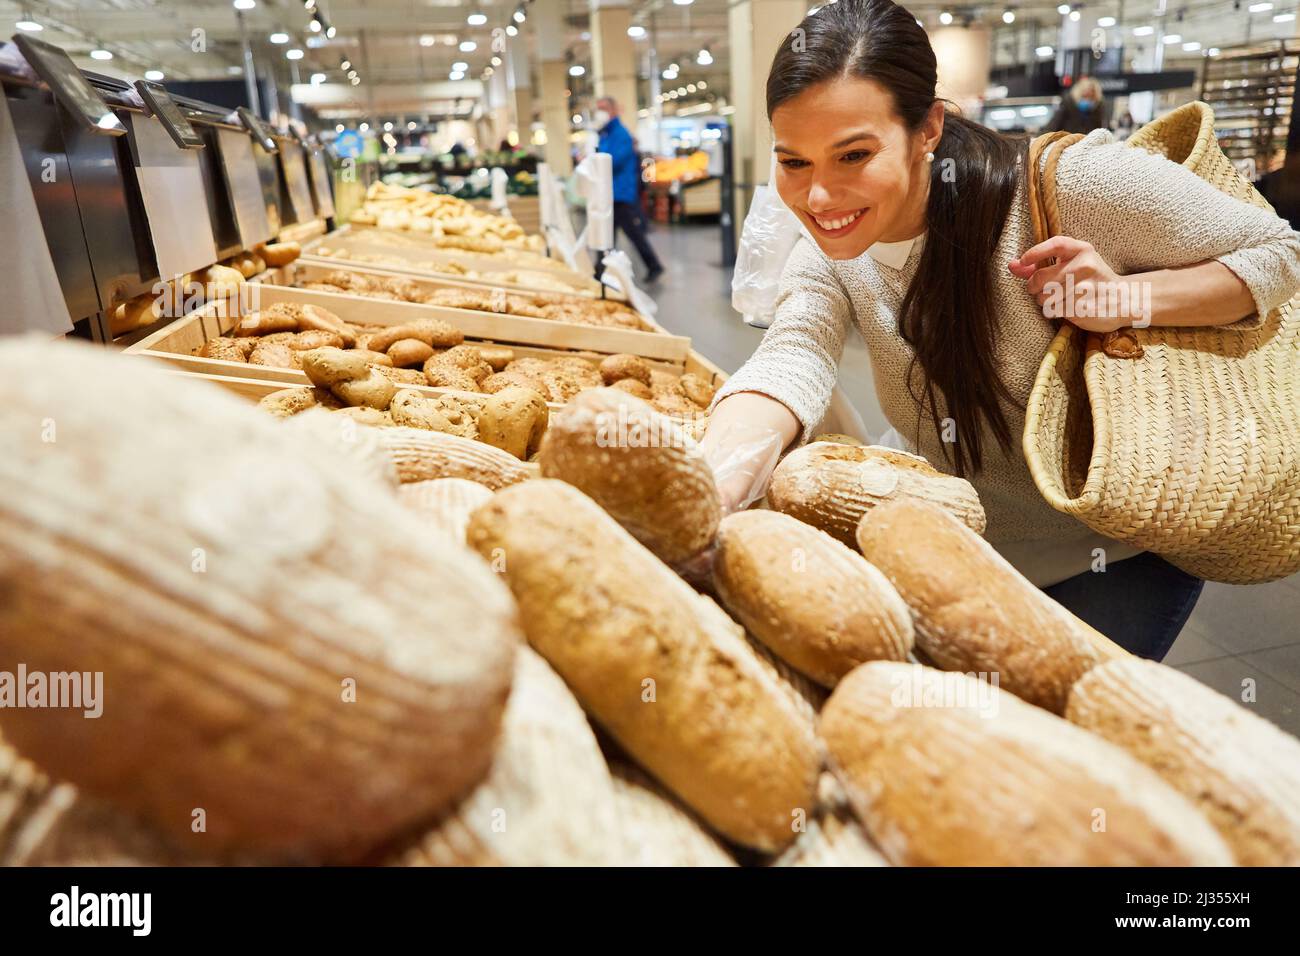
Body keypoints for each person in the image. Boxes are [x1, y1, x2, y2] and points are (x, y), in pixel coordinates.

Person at [701, 0, 1300, 659]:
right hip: (956, 542)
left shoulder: (1067, 184)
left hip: (1116, 548)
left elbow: (1277, 254)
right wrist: (715, 485)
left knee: (1073, 738)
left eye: (853, 155)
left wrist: (1128, 298)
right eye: (794, 163)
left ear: (928, 128)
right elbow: (793, 354)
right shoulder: (829, 253)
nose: (819, 198)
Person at [594, 96, 665, 283]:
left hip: (620, 194)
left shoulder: (621, 134)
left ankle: (653, 265)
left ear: (613, 110)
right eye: (598, 108)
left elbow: (611, 162)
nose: (599, 112)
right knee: (608, 234)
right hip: (611, 193)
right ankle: (601, 270)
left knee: (629, 233)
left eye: (603, 108)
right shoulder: (606, 134)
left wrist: (594, 161)